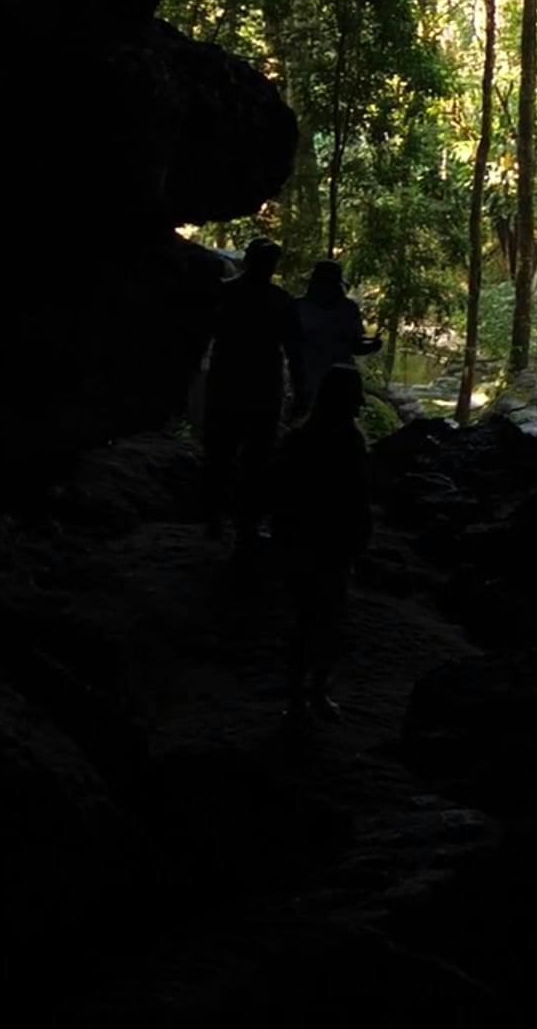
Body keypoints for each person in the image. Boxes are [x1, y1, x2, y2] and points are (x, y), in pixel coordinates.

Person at [269, 362, 375, 722]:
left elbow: (282, 494)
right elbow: (359, 496)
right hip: (332, 544)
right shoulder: (351, 443)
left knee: (305, 620)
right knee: (328, 620)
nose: (359, 405)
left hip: (305, 541)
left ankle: (298, 694)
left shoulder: (298, 440)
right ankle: (315, 692)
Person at [199, 239, 298, 546]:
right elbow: (294, 349)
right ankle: (243, 521)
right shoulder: (279, 300)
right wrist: (301, 387)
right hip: (261, 384)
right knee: (253, 456)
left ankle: (218, 516)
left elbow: (202, 335)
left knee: (223, 451)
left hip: (229, 380)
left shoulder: (224, 293)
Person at [287, 257, 384, 424]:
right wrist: (373, 346)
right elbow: (356, 347)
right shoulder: (347, 309)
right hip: (327, 381)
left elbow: (289, 346)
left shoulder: (299, 307)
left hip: (311, 379)